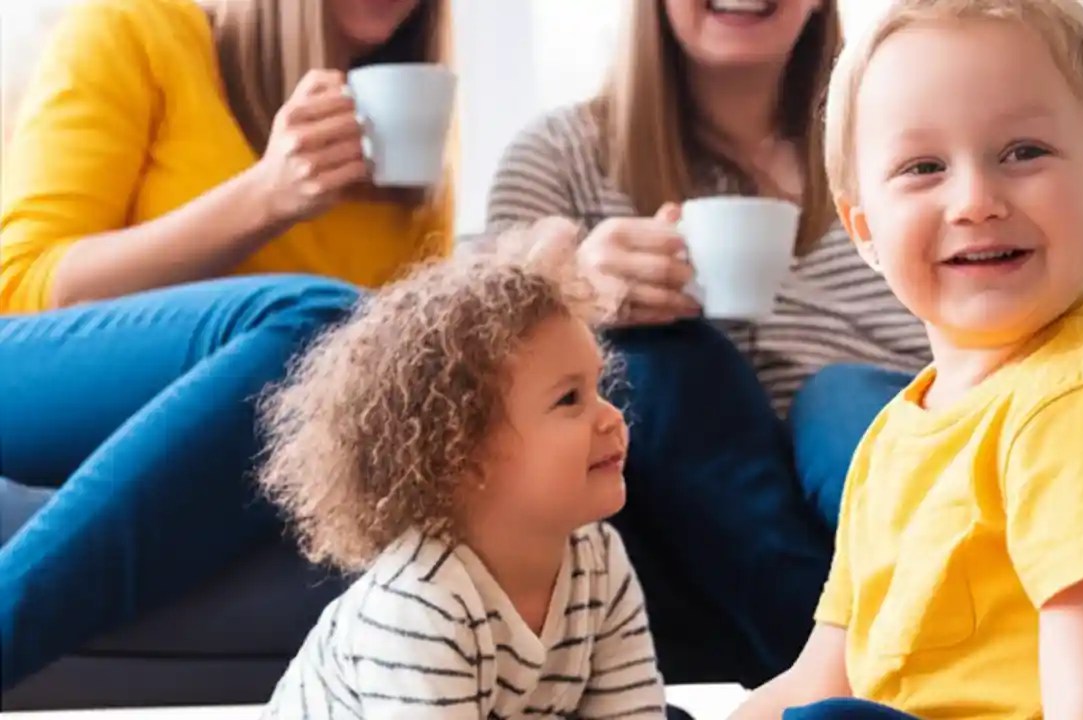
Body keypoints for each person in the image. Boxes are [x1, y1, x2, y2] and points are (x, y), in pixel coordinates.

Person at [733, 0, 1083, 717]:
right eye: (923, 167)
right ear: (864, 230)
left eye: (1023, 152)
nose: (975, 200)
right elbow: (823, 672)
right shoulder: (890, 439)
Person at [0, 0, 452, 689]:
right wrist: (266, 197)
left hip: (245, 429)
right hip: (32, 377)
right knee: (323, 334)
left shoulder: (407, 133)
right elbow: (23, 286)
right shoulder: (138, 30)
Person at [486, 0, 929, 685]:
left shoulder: (899, 151)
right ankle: (880, 667)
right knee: (656, 365)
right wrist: (567, 293)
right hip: (676, 532)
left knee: (845, 399)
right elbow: (460, 361)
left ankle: (887, 649)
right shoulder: (558, 156)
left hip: (860, 495)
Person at [255, 252, 665, 719]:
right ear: (464, 455)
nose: (613, 418)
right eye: (570, 399)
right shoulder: (421, 601)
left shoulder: (598, 561)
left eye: (600, 387)